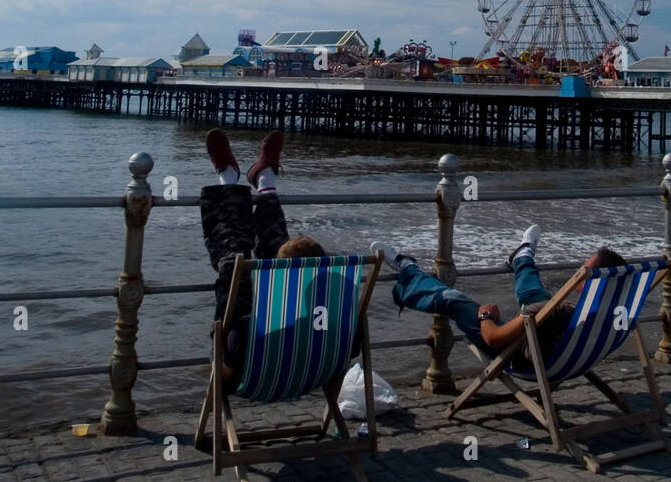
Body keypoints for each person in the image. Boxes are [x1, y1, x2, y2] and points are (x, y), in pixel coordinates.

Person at [371, 226, 626, 371]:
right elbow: (545, 314)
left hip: (515, 355)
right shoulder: (616, 314)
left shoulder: (557, 312)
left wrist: (485, 317)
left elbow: (493, 338)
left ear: (593, 282)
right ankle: (523, 255)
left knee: (451, 297)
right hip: (564, 358)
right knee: (535, 296)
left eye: (584, 270)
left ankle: (406, 268)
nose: (577, 271)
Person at [202, 127, 327, 387]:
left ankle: (233, 179)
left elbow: (221, 378)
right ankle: (263, 179)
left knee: (233, 264)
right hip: (305, 378)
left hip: (253, 378)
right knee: (282, 258)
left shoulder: (244, 334)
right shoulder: (340, 328)